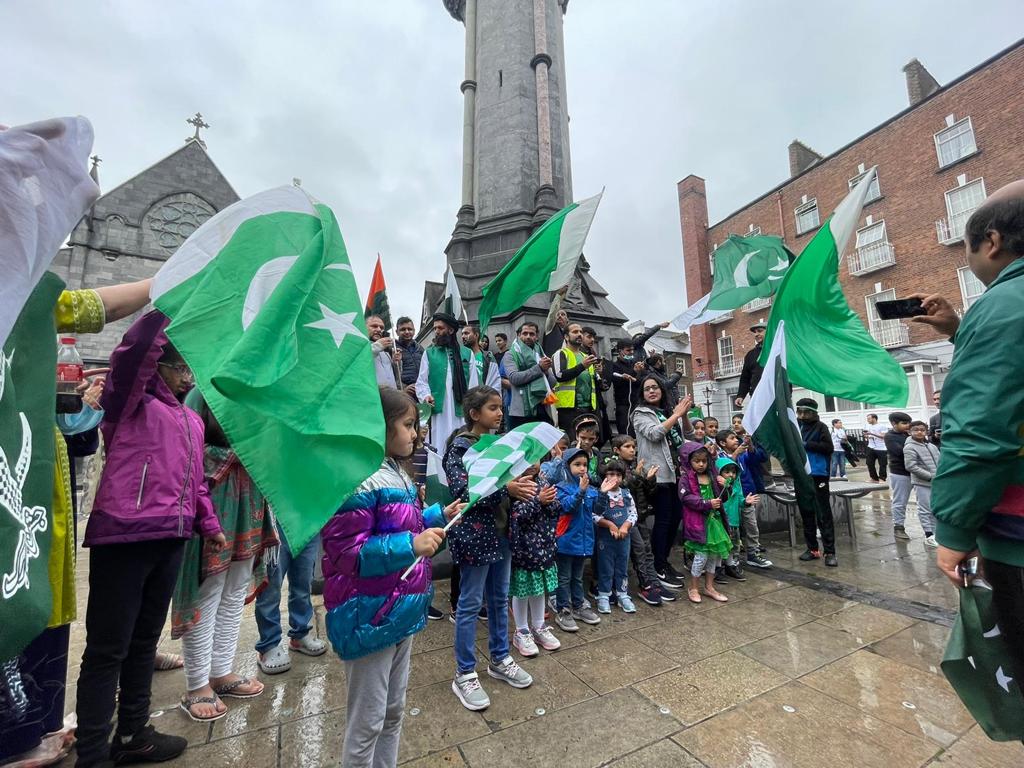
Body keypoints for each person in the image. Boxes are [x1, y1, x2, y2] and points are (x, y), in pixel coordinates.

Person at [75, 313, 226, 768]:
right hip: (124, 534)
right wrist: (170, 304)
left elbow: (196, 481)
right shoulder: (130, 400)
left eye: (190, 372)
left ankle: (134, 731)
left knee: (143, 641)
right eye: (181, 368)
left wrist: (210, 524)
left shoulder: (191, 421)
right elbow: (134, 351)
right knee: (107, 648)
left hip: (173, 535)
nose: (187, 379)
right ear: (161, 366)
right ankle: (93, 752)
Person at [912, 179, 1024, 689]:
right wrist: (959, 330)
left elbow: (982, 429)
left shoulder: (1003, 306)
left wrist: (953, 530)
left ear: (992, 242)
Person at [321, 386, 462, 768]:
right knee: (366, 723)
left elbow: (400, 523)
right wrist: (412, 545)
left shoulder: (394, 471)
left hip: (399, 610)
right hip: (368, 615)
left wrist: (436, 515)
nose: (415, 434)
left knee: (393, 712)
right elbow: (348, 553)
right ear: (378, 426)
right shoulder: (355, 477)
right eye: (408, 424)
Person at [173, 393, 277, 722]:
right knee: (208, 592)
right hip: (212, 501)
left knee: (234, 591)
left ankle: (221, 672)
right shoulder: (201, 392)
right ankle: (197, 684)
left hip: (249, 497)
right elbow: (189, 448)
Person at [444, 386, 535, 712]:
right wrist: (506, 487)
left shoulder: (500, 445)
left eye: (500, 407)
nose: (500, 413)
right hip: (474, 534)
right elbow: (463, 490)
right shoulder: (459, 448)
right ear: (474, 414)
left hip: (501, 532)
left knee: (499, 599)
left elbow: (506, 485)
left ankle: (499, 658)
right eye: (493, 408)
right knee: (469, 605)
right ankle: (464, 673)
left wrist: (521, 482)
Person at [631, 377, 692, 588]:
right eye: (647, 388)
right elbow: (655, 434)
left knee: (676, 517)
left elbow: (685, 437)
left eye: (655, 387)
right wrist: (676, 414)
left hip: (677, 473)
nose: (651, 391)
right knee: (664, 519)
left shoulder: (666, 412)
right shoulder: (640, 414)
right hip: (657, 474)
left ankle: (663, 561)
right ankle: (658, 565)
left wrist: (682, 416)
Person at [254, 523, 327, 674]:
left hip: (307, 520)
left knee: (303, 582)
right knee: (270, 588)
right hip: (275, 522)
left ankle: (300, 633)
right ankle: (268, 645)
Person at [608, 435, 673, 604]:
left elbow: (647, 492)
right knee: (638, 551)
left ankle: (654, 582)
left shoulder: (637, 465)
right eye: (627, 447)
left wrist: (650, 480)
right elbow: (620, 487)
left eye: (633, 446)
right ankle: (645, 585)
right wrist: (638, 475)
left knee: (647, 550)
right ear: (616, 450)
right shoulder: (614, 467)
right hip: (625, 518)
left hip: (640, 514)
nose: (632, 450)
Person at [508, 465, 562, 658]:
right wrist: (539, 501)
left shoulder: (544, 482)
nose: (531, 463)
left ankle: (539, 626)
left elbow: (557, 509)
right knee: (522, 591)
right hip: (524, 551)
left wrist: (550, 501)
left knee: (539, 590)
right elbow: (518, 516)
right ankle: (521, 630)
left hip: (544, 548)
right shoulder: (515, 485)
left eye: (535, 457)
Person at [415, 311, 480, 450]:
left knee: (462, 444)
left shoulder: (467, 353)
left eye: (440, 328)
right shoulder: (429, 353)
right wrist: (426, 396)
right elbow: (421, 382)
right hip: (438, 411)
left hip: (461, 410)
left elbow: (474, 385)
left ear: (450, 330)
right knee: (438, 446)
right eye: (435, 328)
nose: (436, 332)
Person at [552, 448, 602, 632]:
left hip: (584, 541)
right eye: (577, 464)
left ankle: (579, 606)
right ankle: (563, 609)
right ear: (567, 466)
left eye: (585, 465)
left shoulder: (591, 490)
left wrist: (602, 493)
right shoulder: (561, 488)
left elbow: (599, 508)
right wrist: (580, 491)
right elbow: (567, 507)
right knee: (564, 577)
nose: (582, 468)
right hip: (566, 542)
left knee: (578, 577)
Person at [679, 443, 732, 603]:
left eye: (704, 460)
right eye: (697, 461)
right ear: (689, 461)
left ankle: (709, 587)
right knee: (701, 556)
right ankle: (693, 587)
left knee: (714, 557)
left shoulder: (712, 476)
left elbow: (723, 497)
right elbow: (686, 497)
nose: (701, 464)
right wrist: (706, 503)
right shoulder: (685, 478)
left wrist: (726, 487)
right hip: (699, 523)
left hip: (715, 522)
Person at [795, 398, 838, 567]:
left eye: (806, 412)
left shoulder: (821, 427)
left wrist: (806, 445)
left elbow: (828, 448)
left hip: (818, 474)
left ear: (813, 412)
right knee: (806, 512)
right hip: (802, 475)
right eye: (800, 411)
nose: (802, 415)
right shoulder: (796, 426)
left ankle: (830, 551)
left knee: (823, 513)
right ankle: (812, 549)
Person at [593, 461, 637, 614]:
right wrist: (610, 525)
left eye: (618, 475)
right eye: (611, 474)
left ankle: (623, 594)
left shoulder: (626, 494)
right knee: (605, 566)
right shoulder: (600, 494)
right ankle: (604, 595)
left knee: (622, 566)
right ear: (604, 476)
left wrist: (625, 526)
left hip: (624, 538)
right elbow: (594, 515)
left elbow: (633, 513)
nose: (615, 478)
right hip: (606, 538)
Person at [552, 322, 599, 438]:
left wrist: (599, 377)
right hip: (568, 409)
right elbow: (560, 375)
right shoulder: (561, 353)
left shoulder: (585, 356)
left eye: (581, 332)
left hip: (588, 408)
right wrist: (582, 366)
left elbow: (592, 382)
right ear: (566, 337)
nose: (579, 334)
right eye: (575, 332)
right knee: (571, 442)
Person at [503, 321, 554, 428]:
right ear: (518, 335)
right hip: (520, 411)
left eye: (532, 334)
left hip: (542, 407)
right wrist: (539, 368)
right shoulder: (510, 354)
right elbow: (514, 378)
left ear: (536, 337)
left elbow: (553, 382)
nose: (528, 337)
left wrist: (546, 372)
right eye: (525, 333)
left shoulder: (540, 353)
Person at [903, 421, 940, 548]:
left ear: (927, 431)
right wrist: (930, 477)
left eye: (922, 430)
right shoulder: (909, 447)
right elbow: (911, 466)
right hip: (922, 483)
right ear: (910, 432)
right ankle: (929, 535)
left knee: (935, 509)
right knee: (925, 509)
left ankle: (937, 534)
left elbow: (940, 461)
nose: (919, 432)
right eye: (916, 429)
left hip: (936, 483)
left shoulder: (931, 446)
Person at [885, 411, 914, 541]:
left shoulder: (910, 435)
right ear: (894, 423)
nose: (908, 425)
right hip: (900, 473)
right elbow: (899, 452)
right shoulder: (890, 436)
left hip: (917, 472)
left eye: (909, 423)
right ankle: (899, 527)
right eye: (904, 423)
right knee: (900, 501)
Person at [734, 322, 766, 408]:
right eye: (755, 332)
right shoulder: (751, 354)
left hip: (778, 396)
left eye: (760, 331)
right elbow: (745, 378)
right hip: (757, 397)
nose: (756, 334)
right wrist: (740, 395)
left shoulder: (778, 349)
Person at [461, 324, 502, 392]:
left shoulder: (488, 357)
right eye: (462, 334)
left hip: (482, 397)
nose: (463, 336)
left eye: (466, 333)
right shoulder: (460, 355)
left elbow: (495, 381)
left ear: (476, 335)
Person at [610, 340, 639, 435]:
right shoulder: (615, 366)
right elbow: (617, 382)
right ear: (620, 351)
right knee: (625, 431)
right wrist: (633, 372)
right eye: (628, 350)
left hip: (637, 403)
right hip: (623, 404)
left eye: (632, 350)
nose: (631, 352)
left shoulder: (635, 364)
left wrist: (638, 372)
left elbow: (641, 381)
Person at [367, 315, 400, 389]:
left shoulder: (386, 353)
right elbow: (359, 363)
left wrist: (396, 362)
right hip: (373, 396)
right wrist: (377, 346)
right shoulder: (359, 347)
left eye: (382, 328)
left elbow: (397, 377)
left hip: (392, 396)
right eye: (374, 326)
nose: (379, 330)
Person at [395, 316, 424, 397]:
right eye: (403, 329)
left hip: (421, 390)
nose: (407, 332)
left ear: (414, 331)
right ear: (397, 332)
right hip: (403, 393)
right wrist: (403, 389)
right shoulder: (392, 348)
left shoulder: (420, 349)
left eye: (410, 329)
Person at [864, 414, 889, 483]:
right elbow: (867, 436)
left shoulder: (881, 426)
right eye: (867, 419)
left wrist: (872, 434)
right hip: (871, 447)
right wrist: (867, 436)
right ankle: (874, 478)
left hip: (881, 448)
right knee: (869, 463)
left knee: (882, 464)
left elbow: (883, 436)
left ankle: (882, 478)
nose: (867, 420)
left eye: (869, 418)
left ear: (874, 418)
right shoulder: (868, 426)